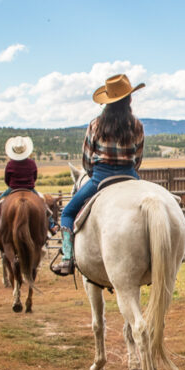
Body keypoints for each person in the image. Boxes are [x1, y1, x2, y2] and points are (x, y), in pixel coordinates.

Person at [51, 74, 145, 275]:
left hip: (101, 177)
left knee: (67, 213)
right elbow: (138, 159)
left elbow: (86, 160)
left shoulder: (96, 124)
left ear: (108, 102)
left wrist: (96, 172)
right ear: (129, 99)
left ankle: (67, 258)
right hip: (130, 176)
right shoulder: (137, 125)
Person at [0, 136, 39, 236]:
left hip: (13, 188)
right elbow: (35, 177)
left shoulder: (10, 164)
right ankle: (51, 225)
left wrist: (13, 185)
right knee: (43, 205)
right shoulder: (32, 163)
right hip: (30, 189)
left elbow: (7, 180)